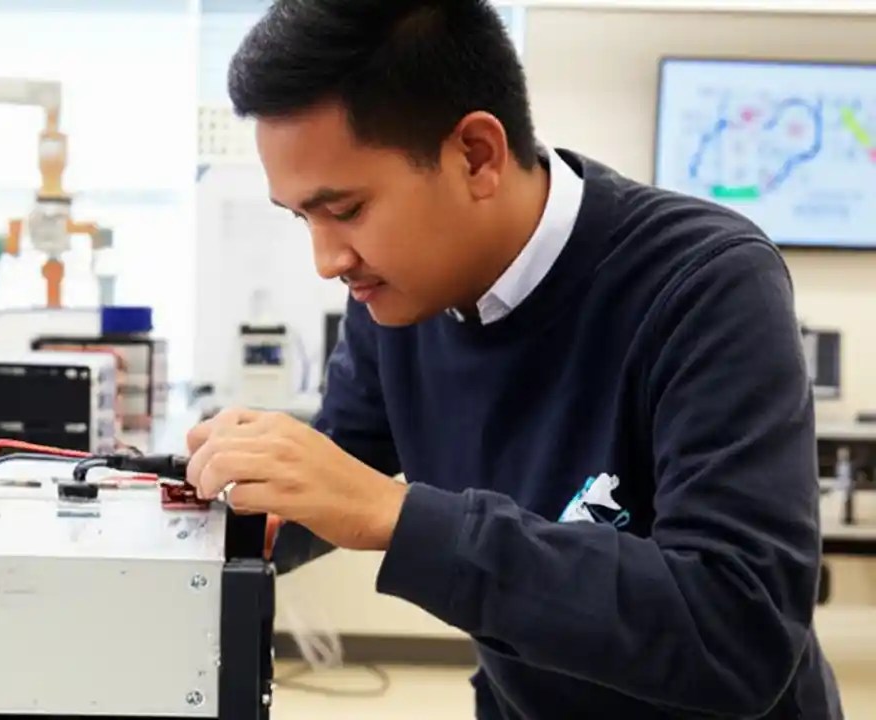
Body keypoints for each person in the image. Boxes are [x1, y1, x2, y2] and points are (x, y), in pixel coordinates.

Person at [182, 1, 843, 718]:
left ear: (476, 155)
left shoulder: (707, 283)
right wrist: (233, 499)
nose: (327, 259)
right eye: (301, 217)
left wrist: (399, 517)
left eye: (345, 210)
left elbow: (737, 631)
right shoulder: (395, 294)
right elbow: (342, 465)